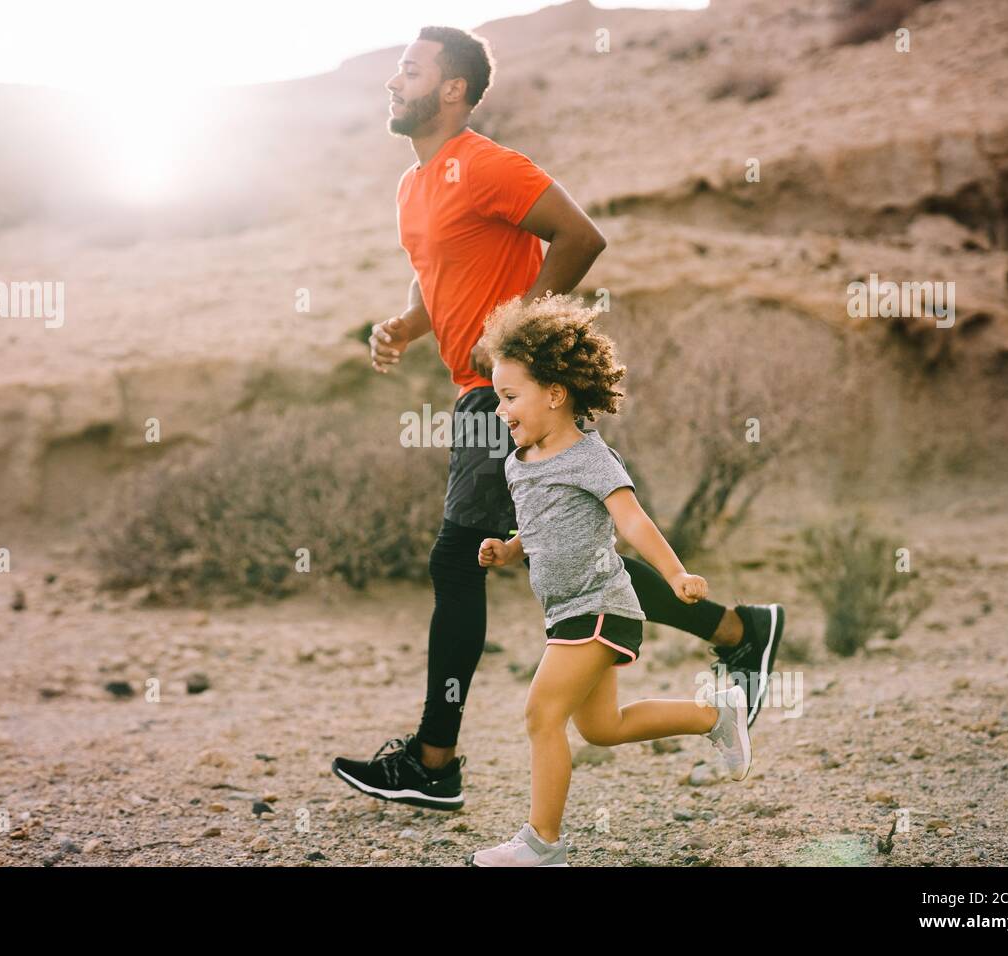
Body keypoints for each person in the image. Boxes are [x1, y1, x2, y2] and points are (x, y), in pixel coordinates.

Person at [331, 25, 782, 813]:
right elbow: (433, 275)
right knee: (567, 547)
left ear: (452, 89)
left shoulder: (488, 162)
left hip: (506, 391)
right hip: (482, 394)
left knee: (456, 558)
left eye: (408, 71)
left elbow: (581, 236)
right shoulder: (414, 187)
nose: (392, 83)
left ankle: (435, 761)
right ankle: (738, 631)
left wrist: (517, 337)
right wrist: (406, 326)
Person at [468, 293, 752, 866]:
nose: (501, 410)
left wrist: (675, 575)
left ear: (555, 393)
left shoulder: (591, 458)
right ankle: (715, 715)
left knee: (540, 715)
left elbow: (631, 520)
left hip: (598, 604)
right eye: (498, 398)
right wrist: (510, 548)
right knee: (602, 728)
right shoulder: (517, 462)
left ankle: (542, 844)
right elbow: (543, 526)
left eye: (510, 396)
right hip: (565, 611)